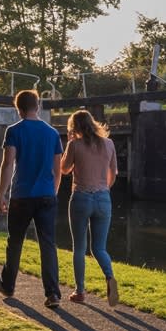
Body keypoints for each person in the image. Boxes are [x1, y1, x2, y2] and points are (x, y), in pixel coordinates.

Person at [0, 89, 64, 308]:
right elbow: (58, 169)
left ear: (19, 109)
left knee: (15, 242)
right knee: (48, 244)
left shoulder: (14, 131)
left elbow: (8, 164)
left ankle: (8, 285)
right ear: (38, 106)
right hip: (46, 195)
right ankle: (53, 294)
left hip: (22, 195)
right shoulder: (52, 133)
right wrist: (53, 191)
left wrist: (1, 194)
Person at [61, 109, 119, 306]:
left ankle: (79, 291)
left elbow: (64, 169)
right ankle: (109, 276)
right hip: (103, 198)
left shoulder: (74, 145)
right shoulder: (109, 143)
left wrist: (69, 142)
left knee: (79, 247)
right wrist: (104, 189)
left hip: (81, 198)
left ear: (74, 127)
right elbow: (113, 173)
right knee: (99, 248)